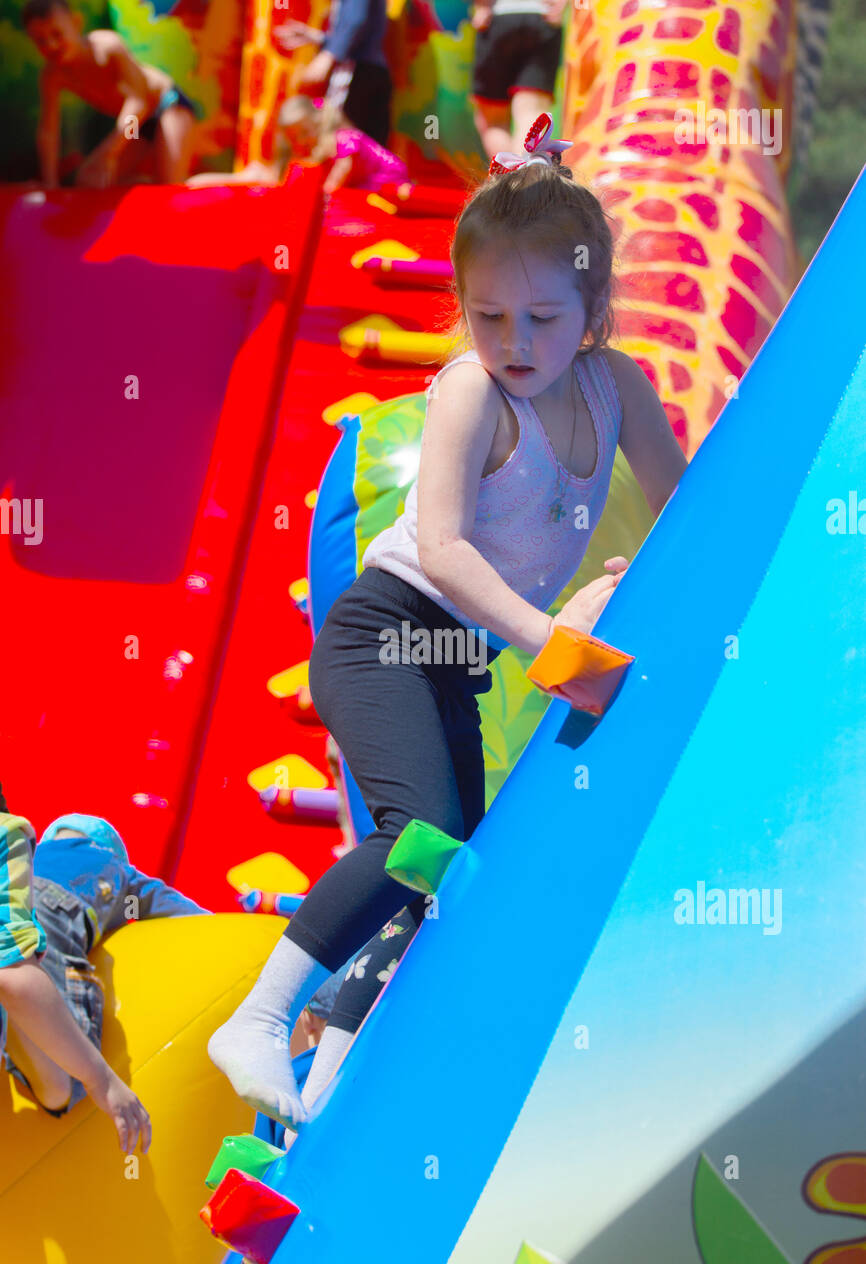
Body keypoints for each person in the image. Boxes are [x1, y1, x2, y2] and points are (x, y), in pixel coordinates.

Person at [208, 113, 688, 1128]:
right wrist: (551, 637)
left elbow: (690, 511)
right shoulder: (468, 392)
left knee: (448, 870)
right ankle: (256, 1015)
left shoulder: (618, 390)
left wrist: (633, 576)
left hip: (452, 660)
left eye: (543, 319)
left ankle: (335, 1063)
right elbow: (443, 549)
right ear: (462, 312)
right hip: (383, 629)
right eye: (488, 316)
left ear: (593, 307)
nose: (514, 344)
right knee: (417, 830)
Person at [0, 790, 210, 1150]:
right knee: (61, 1087)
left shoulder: (35, 859)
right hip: (54, 918)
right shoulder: (116, 873)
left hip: (31, 906)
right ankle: (25, 1019)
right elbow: (170, 911)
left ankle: (18, 1016)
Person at [21, 0, 199, 187]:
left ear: (76, 23)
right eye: (41, 40)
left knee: (170, 183)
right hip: (137, 126)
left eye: (57, 34)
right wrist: (50, 183)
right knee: (88, 180)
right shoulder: (53, 75)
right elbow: (49, 131)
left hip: (167, 105)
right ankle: (149, 188)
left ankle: (224, 186)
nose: (51, 45)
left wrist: (111, 152)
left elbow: (139, 104)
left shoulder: (106, 47)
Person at [187, 96, 408, 195]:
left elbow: (341, 172)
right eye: (294, 137)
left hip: (389, 178)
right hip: (370, 182)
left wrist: (323, 194)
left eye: (304, 133)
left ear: (317, 122)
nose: (301, 141)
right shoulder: (318, 138)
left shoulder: (344, 138)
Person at [273, 0, 392, 149]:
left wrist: (330, 54)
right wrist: (315, 37)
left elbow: (355, 19)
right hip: (366, 70)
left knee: (347, 140)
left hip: (360, 72)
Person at [470, 0, 567, 160]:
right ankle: (524, 175)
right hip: (542, 17)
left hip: (498, 17)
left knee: (494, 121)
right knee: (530, 110)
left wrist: (481, 5)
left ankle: (513, 177)